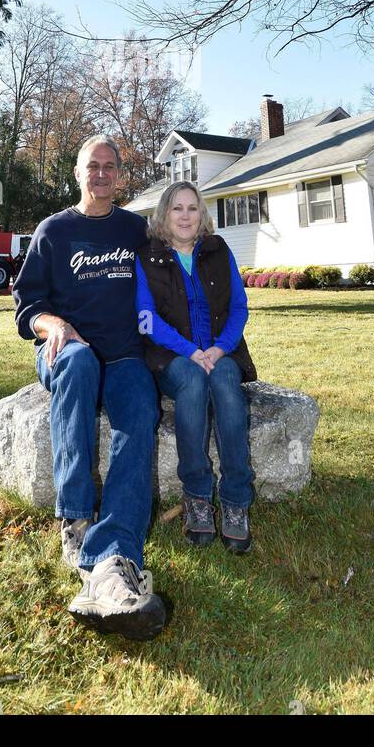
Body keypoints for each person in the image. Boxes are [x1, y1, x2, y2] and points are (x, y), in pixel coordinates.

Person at [13, 135, 166, 640]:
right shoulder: (54, 231)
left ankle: (115, 552)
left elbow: (171, 274)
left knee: (140, 402)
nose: (101, 174)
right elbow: (27, 307)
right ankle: (76, 519)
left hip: (122, 354)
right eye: (92, 166)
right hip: (66, 350)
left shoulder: (135, 230)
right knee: (78, 366)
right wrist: (52, 325)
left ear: (120, 176)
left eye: (110, 167)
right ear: (77, 173)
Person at [135, 181, 257, 552]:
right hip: (171, 356)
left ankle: (236, 500)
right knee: (191, 383)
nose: (185, 216)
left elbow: (239, 308)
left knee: (224, 386)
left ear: (201, 214)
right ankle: (197, 498)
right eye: (177, 208)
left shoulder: (219, 251)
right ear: (164, 215)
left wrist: (219, 350)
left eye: (192, 208)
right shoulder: (147, 255)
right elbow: (145, 318)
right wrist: (190, 352)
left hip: (223, 353)